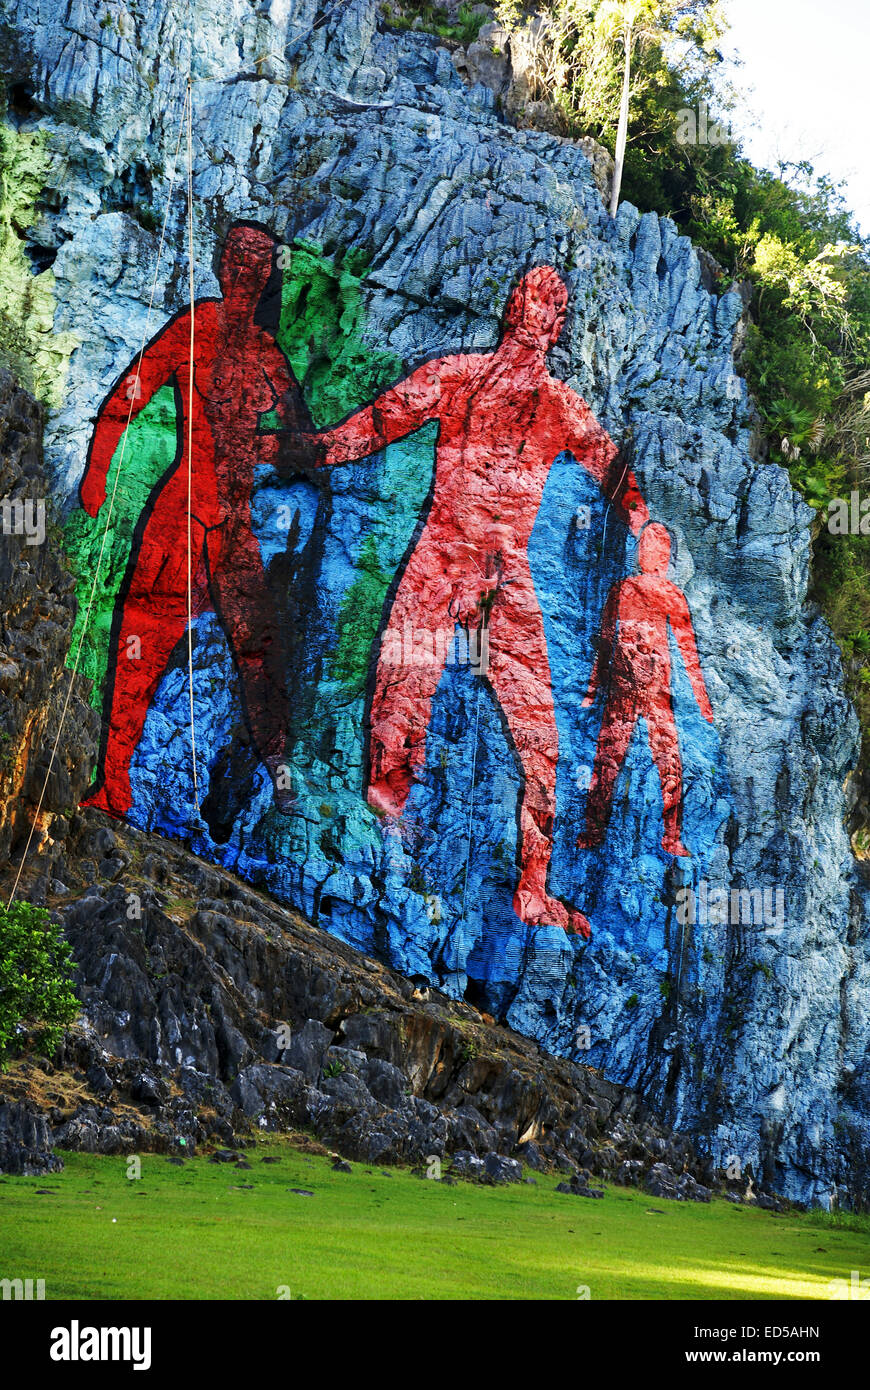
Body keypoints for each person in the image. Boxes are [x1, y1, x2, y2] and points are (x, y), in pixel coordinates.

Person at [290, 266, 649, 938]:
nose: (540, 315)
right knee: (401, 688)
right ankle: (385, 815)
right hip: (441, 550)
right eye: (532, 301)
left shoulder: (563, 406)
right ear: (512, 307)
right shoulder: (459, 373)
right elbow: (378, 421)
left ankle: (533, 887)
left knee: (539, 736)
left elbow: (612, 471)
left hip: (506, 571)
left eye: (554, 307)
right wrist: (312, 450)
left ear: (560, 324)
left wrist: (644, 520)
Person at [79, 223, 306, 818]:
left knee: (260, 652)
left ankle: (276, 774)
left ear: (267, 276)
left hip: (234, 528)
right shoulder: (192, 327)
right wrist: (96, 475)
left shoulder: (268, 357)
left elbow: (303, 442)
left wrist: (263, 449)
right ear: (220, 264)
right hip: (178, 514)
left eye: (258, 263)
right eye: (236, 258)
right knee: (140, 642)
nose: (245, 271)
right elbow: (131, 392)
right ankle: (114, 778)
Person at [576, 522, 714, 857]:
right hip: (622, 689)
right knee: (607, 760)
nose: (655, 553)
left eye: (662, 547)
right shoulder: (621, 590)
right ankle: (592, 830)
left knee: (669, 764)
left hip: (657, 693)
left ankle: (670, 835)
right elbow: (605, 643)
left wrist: (702, 701)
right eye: (649, 545)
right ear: (639, 552)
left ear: (668, 556)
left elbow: (688, 651)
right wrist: (593, 688)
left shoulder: (672, 595)